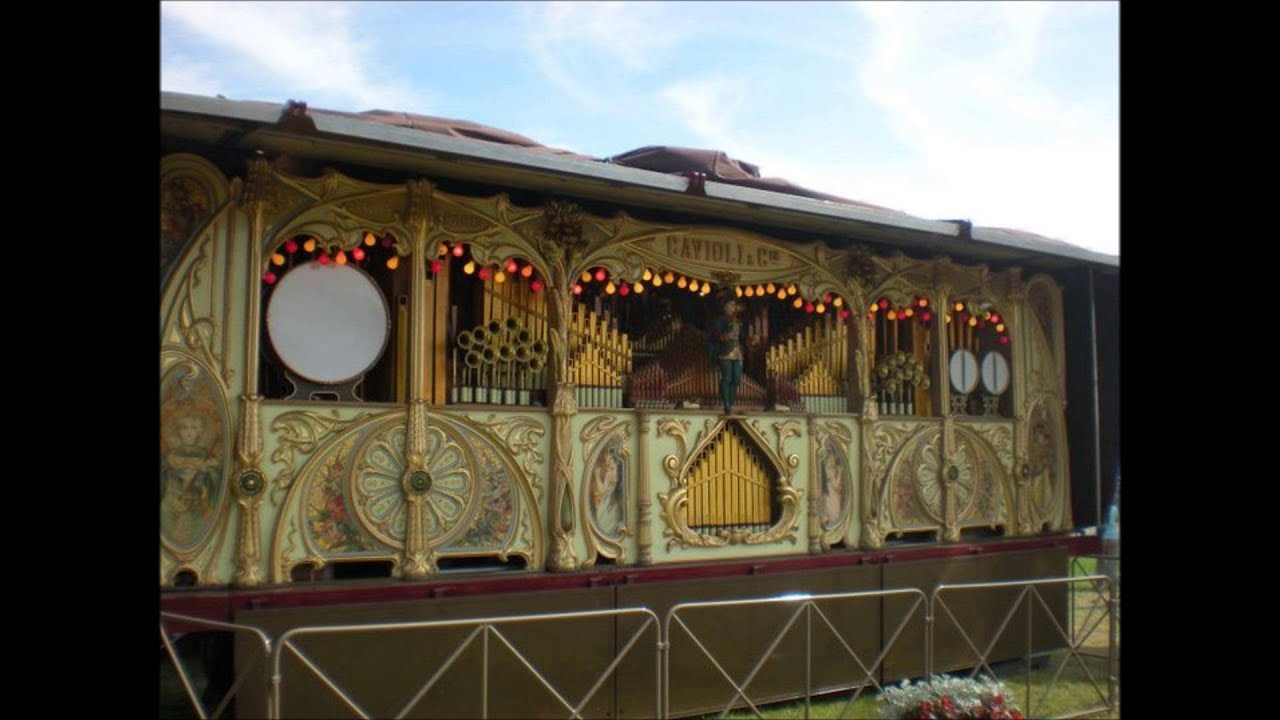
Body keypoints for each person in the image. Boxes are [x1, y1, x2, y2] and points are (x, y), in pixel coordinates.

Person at [710, 296, 744, 414]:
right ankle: (726, 404)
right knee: (727, 377)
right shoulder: (719, 320)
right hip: (725, 351)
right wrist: (726, 336)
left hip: (737, 351)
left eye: (734, 305)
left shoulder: (737, 320)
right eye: (731, 305)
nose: (733, 308)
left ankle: (732, 402)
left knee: (736, 378)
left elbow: (741, 337)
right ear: (724, 307)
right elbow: (715, 335)